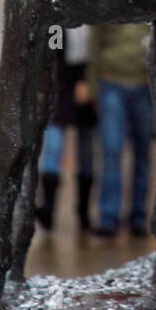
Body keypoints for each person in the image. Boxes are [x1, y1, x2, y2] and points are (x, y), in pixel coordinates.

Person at [88, 22, 153, 238]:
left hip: (145, 86)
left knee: (143, 153)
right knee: (112, 151)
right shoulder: (110, 1)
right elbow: (95, 45)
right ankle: (109, 216)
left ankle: (138, 216)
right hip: (112, 83)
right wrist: (95, 87)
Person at [35, 27, 97, 233]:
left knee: (86, 151)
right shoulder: (56, 24)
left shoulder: (93, 18)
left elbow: (97, 50)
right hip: (60, 87)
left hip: (85, 84)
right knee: (53, 146)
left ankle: (84, 213)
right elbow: (50, 55)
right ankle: (49, 209)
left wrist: (89, 82)